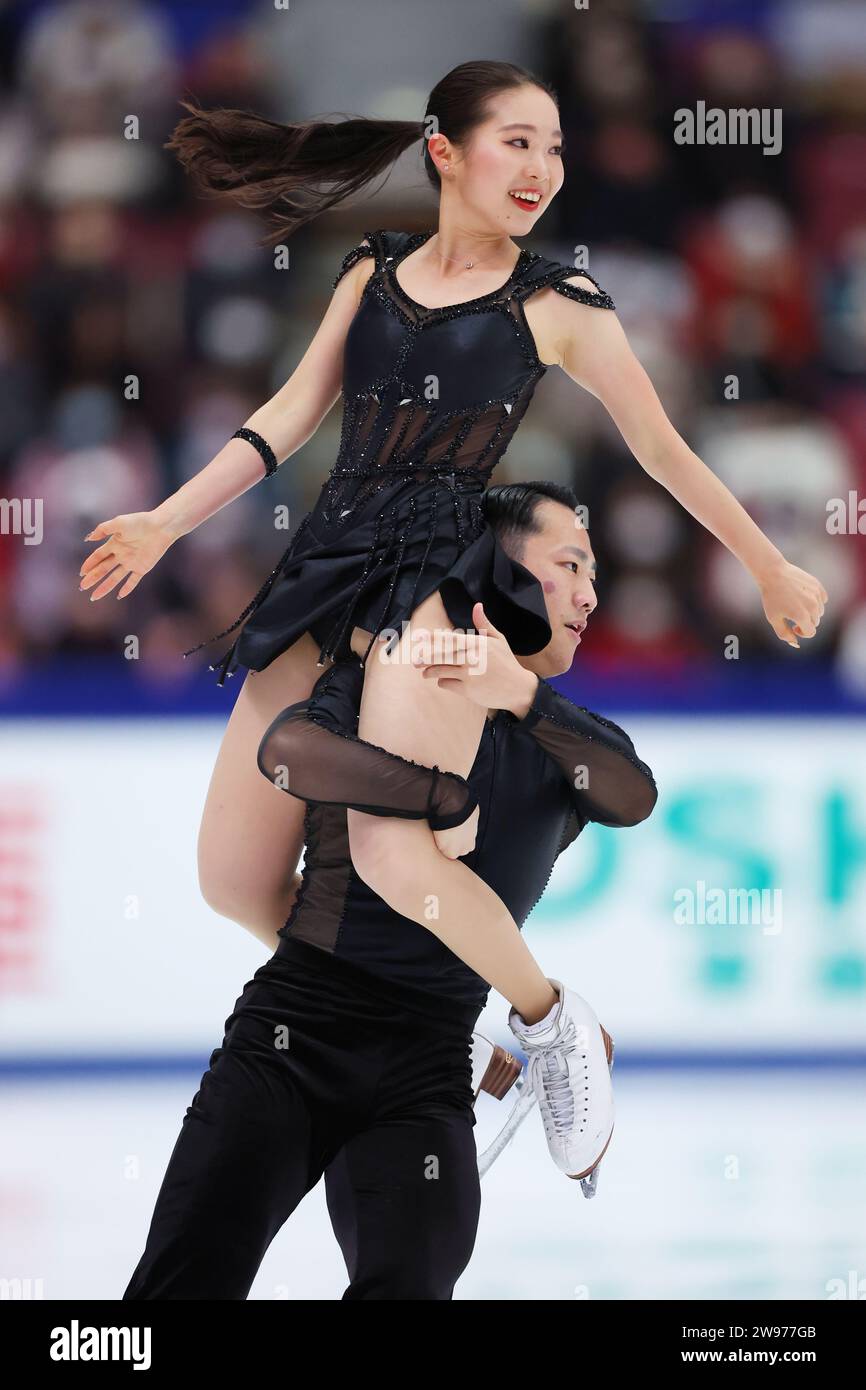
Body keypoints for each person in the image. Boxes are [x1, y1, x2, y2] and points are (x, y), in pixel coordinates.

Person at [82, 61, 826, 1150]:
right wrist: (162, 522)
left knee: (393, 855)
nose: (540, 167)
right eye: (517, 141)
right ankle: (464, 1017)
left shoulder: (559, 305)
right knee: (232, 879)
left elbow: (661, 449)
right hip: (322, 574)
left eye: (555, 146)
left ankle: (552, 1019)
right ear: (445, 150)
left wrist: (765, 564)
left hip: (429, 591)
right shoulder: (370, 271)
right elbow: (284, 419)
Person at [122, 482, 656, 1300]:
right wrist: (441, 795)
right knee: (176, 1292)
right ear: (504, 571)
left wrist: (518, 693)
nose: (591, 594)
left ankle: (550, 1021)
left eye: (595, 573)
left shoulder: (563, 744)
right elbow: (289, 751)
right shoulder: (387, 675)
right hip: (294, 1038)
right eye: (570, 565)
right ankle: (551, 1019)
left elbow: (634, 792)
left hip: (430, 1067)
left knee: (411, 1281)